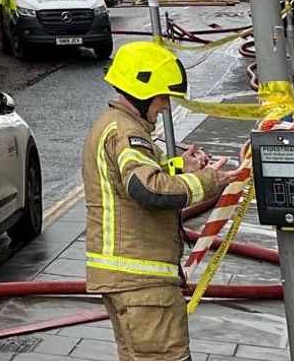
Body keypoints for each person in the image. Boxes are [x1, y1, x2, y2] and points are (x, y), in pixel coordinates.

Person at [84, 41, 243, 361]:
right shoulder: (127, 133)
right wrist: (209, 181)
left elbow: (129, 177)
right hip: (143, 283)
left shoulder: (117, 128)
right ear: (141, 93)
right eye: (162, 96)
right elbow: (148, 189)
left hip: (129, 280)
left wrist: (180, 167)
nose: (166, 105)